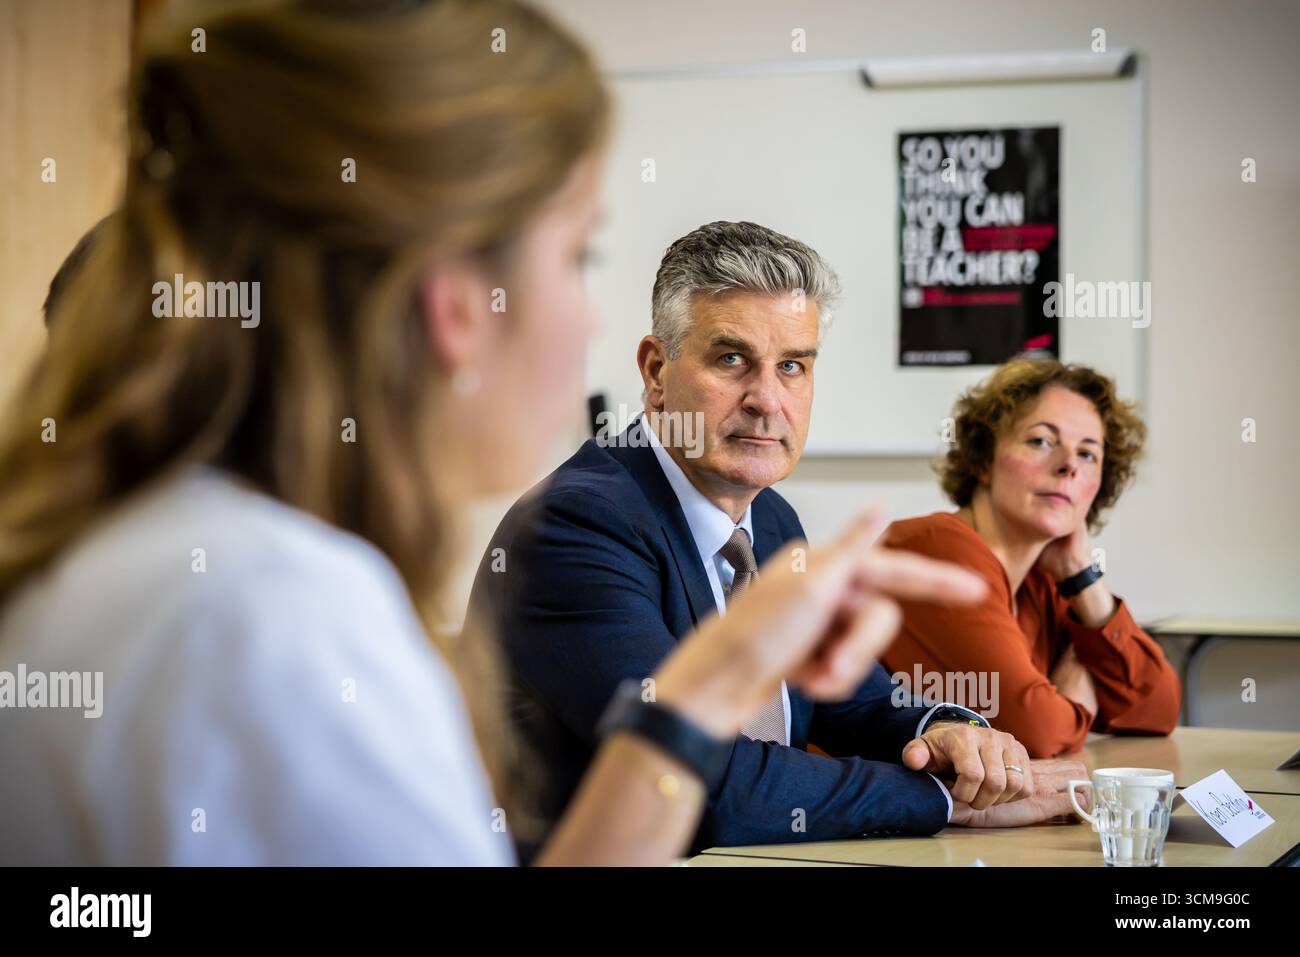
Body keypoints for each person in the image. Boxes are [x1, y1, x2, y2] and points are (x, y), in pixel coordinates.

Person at [0, 0, 989, 866]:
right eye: (575, 253)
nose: (587, 320)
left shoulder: (177, 560)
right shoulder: (275, 613)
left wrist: (712, 687)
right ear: (455, 301)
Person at [469, 221, 1088, 857]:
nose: (767, 399)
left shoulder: (771, 520)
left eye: (792, 366)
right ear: (656, 372)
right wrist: (940, 801)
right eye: (731, 359)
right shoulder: (578, 525)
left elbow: (853, 700)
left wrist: (953, 734)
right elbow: (702, 783)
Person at [880, 358, 1181, 758]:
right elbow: (1035, 734)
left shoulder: (1046, 578)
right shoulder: (936, 551)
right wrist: (1078, 689)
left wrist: (1082, 580)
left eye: (1088, 454)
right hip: (863, 815)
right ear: (984, 459)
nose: (1068, 465)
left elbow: (1155, 710)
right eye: (1041, 441)